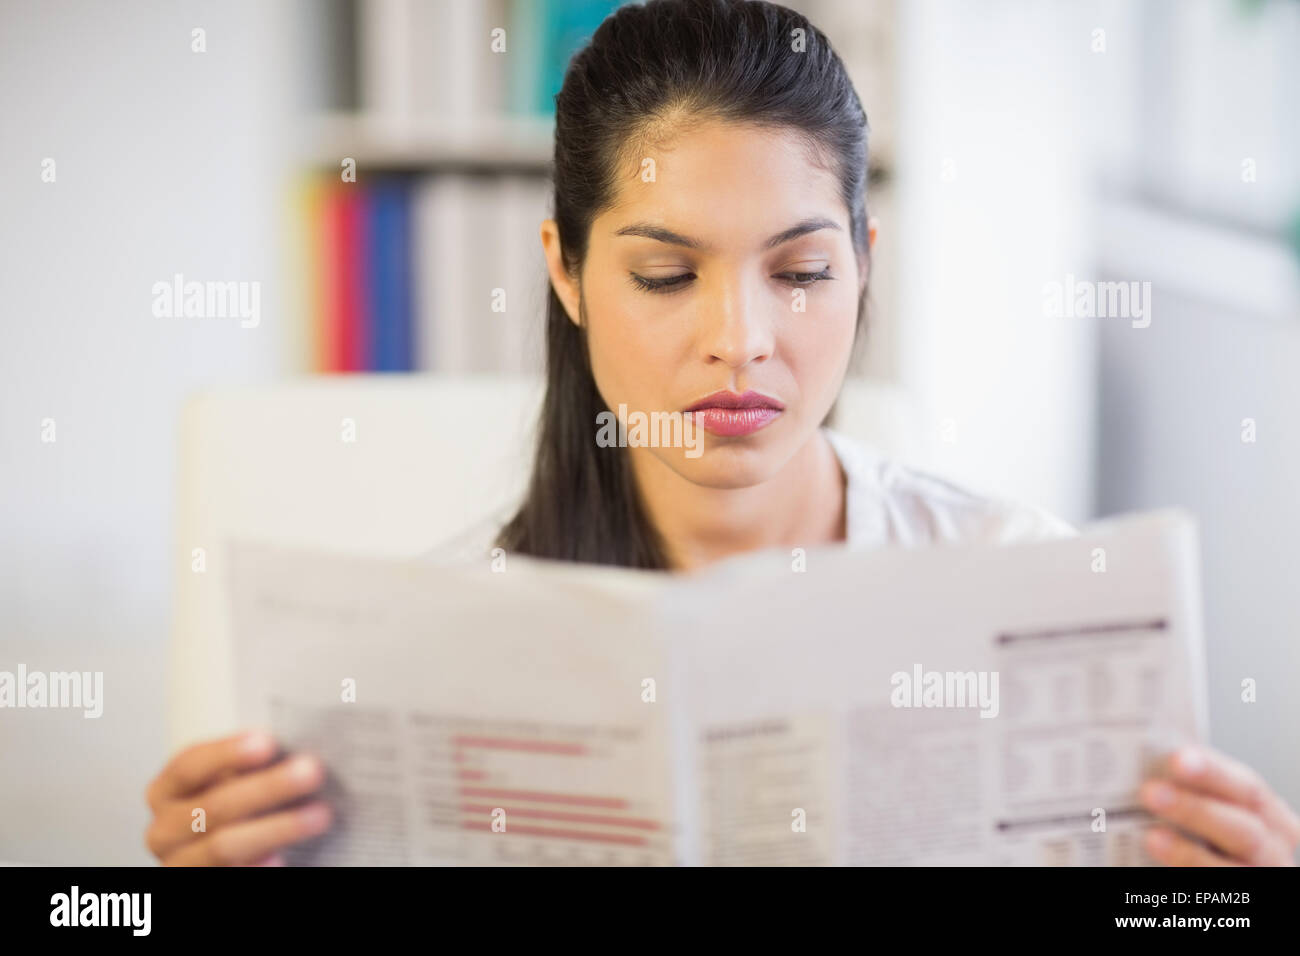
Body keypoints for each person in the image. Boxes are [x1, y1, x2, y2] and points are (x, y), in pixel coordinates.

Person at [144, 0, 1299, 866]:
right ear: (567, 273)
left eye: (799, 270)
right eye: (662, 273)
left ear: (862, 269)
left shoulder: (1020, 581)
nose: (741, 338)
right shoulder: (422, 652)